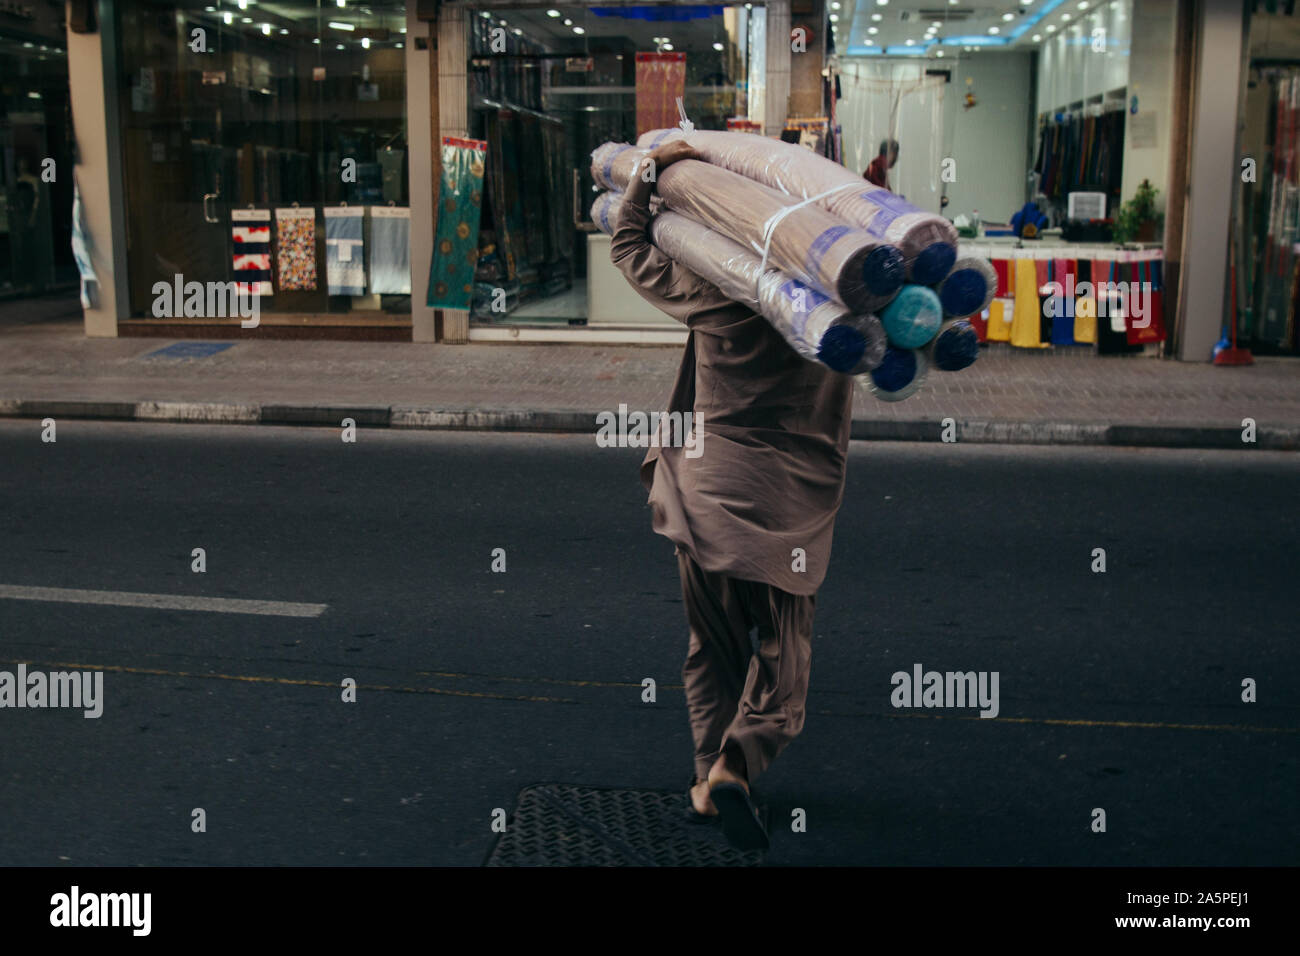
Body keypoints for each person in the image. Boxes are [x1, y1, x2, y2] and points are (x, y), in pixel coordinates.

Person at [610, 140, 855, 852]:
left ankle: (705, 781)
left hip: (708, 496)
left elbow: (627, 243)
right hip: (791, 515)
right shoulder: (838, 321)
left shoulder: (716, 295)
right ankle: (734, 766)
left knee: (711, 646)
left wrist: (651, 170)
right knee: (785, 658)